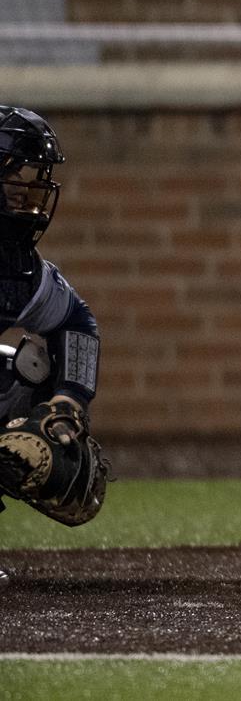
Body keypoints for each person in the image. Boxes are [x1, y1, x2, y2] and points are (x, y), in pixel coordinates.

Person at [0, 106, 110, 587]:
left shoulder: (14, 265)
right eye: (12, 177)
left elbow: (75, 322)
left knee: (37, 368)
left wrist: (68, 401)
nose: (27, 192)